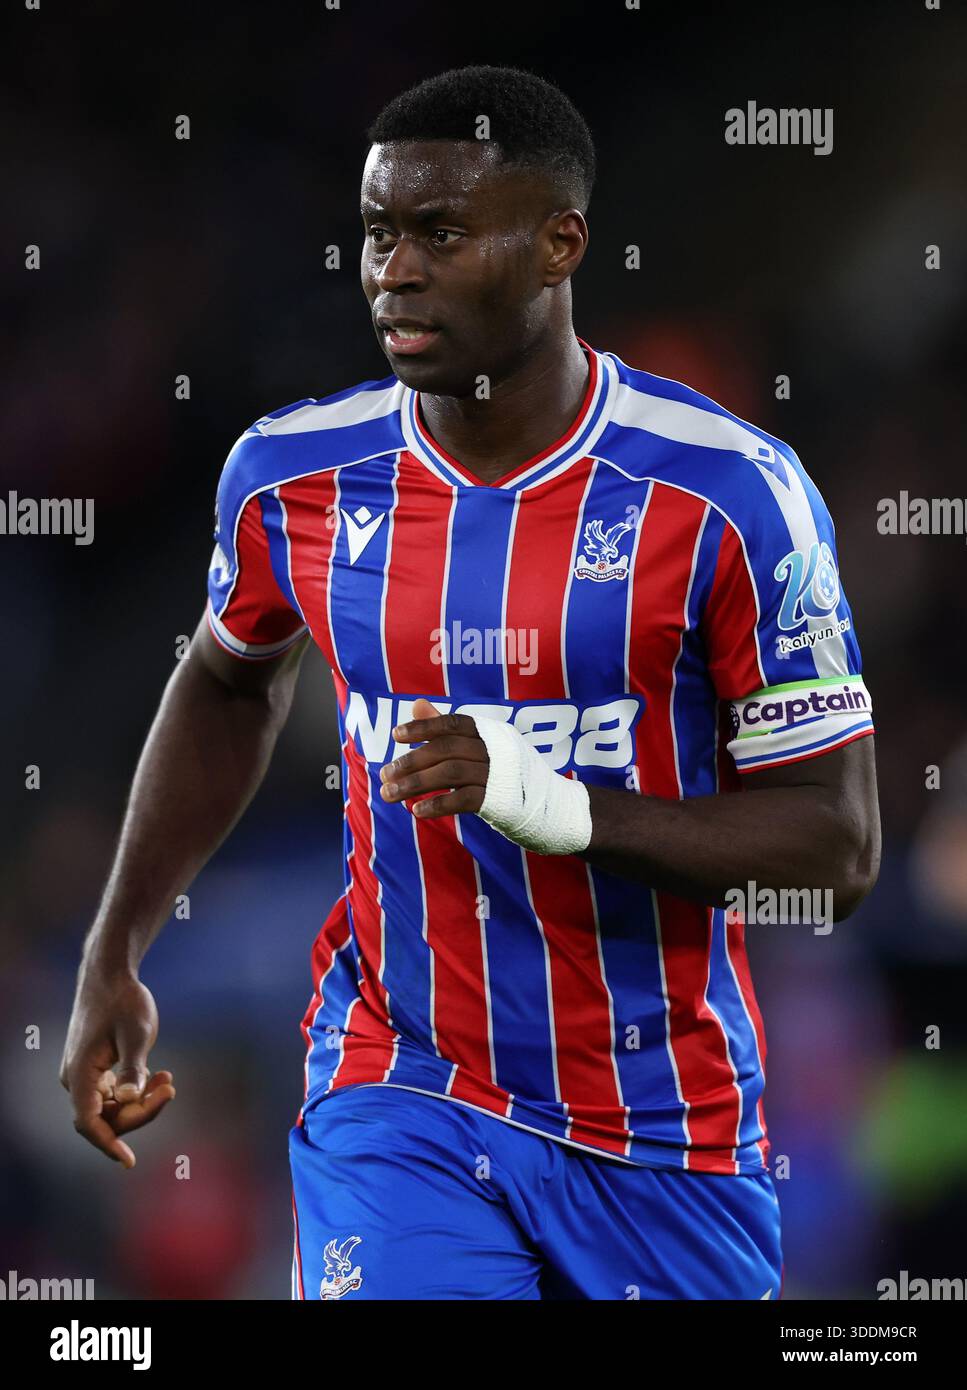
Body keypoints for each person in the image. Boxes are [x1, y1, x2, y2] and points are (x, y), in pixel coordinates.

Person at [61, 65, 881, 1300]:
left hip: (663, 1121)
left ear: (561, 244)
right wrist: (114, 946)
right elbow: (229, 679)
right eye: (378, 233)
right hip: (401, 1083)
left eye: (440, 233)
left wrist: (552, 805)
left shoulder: (728, 496)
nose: (394, 268)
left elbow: (838, 845)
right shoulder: (293, 476)